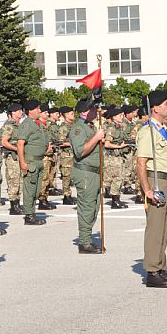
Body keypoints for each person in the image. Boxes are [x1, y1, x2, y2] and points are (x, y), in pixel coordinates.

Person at [136, 90, 167, 288]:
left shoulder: (162, 129)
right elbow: (141, 163)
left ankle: (161, 267)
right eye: (165, 103)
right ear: (154, 108)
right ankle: (152, 271)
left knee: (164, 228)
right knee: (155, 228)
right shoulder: (148, 132)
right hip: (157, 182)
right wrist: (147, 189)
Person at [70, 98, 105, 254]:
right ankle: (84, 243)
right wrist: (96, 138)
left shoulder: (88, 127)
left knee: (94, 206)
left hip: (93, 172)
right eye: (92, 109)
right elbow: (80, 151)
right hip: (85, 172)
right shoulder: (78, 128)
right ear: (84, 112)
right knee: (87, 207)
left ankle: (87, 237)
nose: (95, 111)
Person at [16, 100, 50, 225]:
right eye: (37, 109)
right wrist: (22, 163)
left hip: (39, 161)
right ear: (31, 110)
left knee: (36, 191)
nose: (39, 111)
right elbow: (20, 144)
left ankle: (32, 212)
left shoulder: (37, 124)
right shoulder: (27, 124)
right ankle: (28, 215)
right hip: (31, 162)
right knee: (30, 190)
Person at [102, 108, 130, 209]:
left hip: (119, 156)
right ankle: (115, 201)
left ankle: (117, 199)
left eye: (122, 115)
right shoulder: (111, 128)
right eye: (119, 116)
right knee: (116, 179)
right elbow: (107, 144)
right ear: (114, 117)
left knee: (120, 178)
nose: (122, 117)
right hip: (112, 157)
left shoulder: (120, 127)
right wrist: (120, 147)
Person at [1, 103, 24, 215]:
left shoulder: (19, 125)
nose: (20, 113)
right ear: (12, 113)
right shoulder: (9, 126)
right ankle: (13, 206)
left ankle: (17, 203)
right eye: (18, 111)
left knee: (19, 180)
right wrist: (16, 148)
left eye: (21, 111)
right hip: (12, 157)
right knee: (13, 180)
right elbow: (4, 141)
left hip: (19, 157)